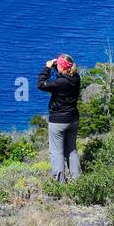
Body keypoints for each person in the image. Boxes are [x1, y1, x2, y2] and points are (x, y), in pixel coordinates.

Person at [37, 53, 81, 182]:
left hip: (58, 121)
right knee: (71, 150)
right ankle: (78, 180)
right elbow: (63, 75)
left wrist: (47, 68)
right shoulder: (76, 78)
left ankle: (60, 183)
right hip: (73, 119)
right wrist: (58, 67)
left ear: (61, 67)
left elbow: (41, 84)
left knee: (57, 152)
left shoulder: (59, 83)